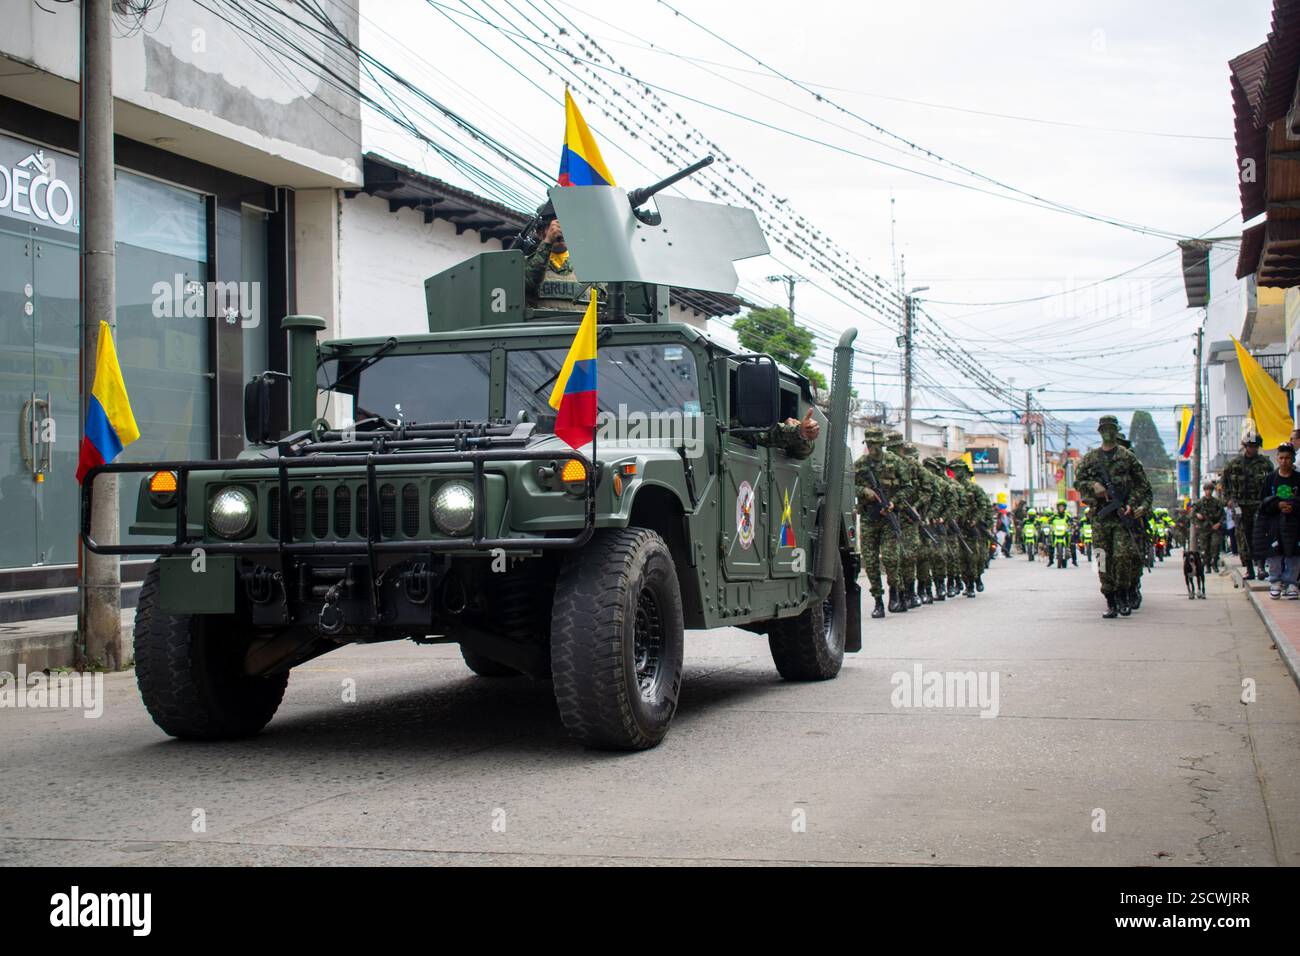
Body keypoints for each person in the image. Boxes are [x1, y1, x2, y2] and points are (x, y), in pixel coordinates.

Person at [1073, 415, 1153, 618]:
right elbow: (1078, 482)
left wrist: (1132, 504)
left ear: (1116, 431)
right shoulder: (1091, 458)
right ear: (1100, 431)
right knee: (1101, 559)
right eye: (1104, 428)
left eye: (1111, 428)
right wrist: (1094, 487)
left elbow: (1142, 485)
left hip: (1121, 517)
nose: (1108, 432)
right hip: (1100, 517)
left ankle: (1124, 595)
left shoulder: (1127, 457)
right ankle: (1110, 599)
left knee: (1122, 557)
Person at [1257, 443, 1300, 599]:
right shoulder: (1270, 479)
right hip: (1274, 523)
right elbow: (1263, 502)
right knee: (1275, 553)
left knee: (1293, 554)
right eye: (1281, 458)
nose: (1284, 461)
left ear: (1292, 459)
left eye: (1287, 458)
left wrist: (1293, 507)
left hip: (1294, 524)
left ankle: (1292, 584)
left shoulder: (1298, 479)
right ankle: (1275, 581)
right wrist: (1277, 505)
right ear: (1277, 459)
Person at [1193, 480, 1226, 574]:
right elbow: (1192, 514)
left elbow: (1223, 515)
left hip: (1215, 528)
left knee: (1215, 545)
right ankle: (1207, 566)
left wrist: (1219, 523)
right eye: (1207, 489)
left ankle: (1214, 563)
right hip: (1204, 528)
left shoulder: (1217, 502)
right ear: (1204, 491)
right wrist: (1197, 518)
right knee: (1205, 548)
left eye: (1210, 490)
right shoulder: (1199, 503)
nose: (1208, 491)